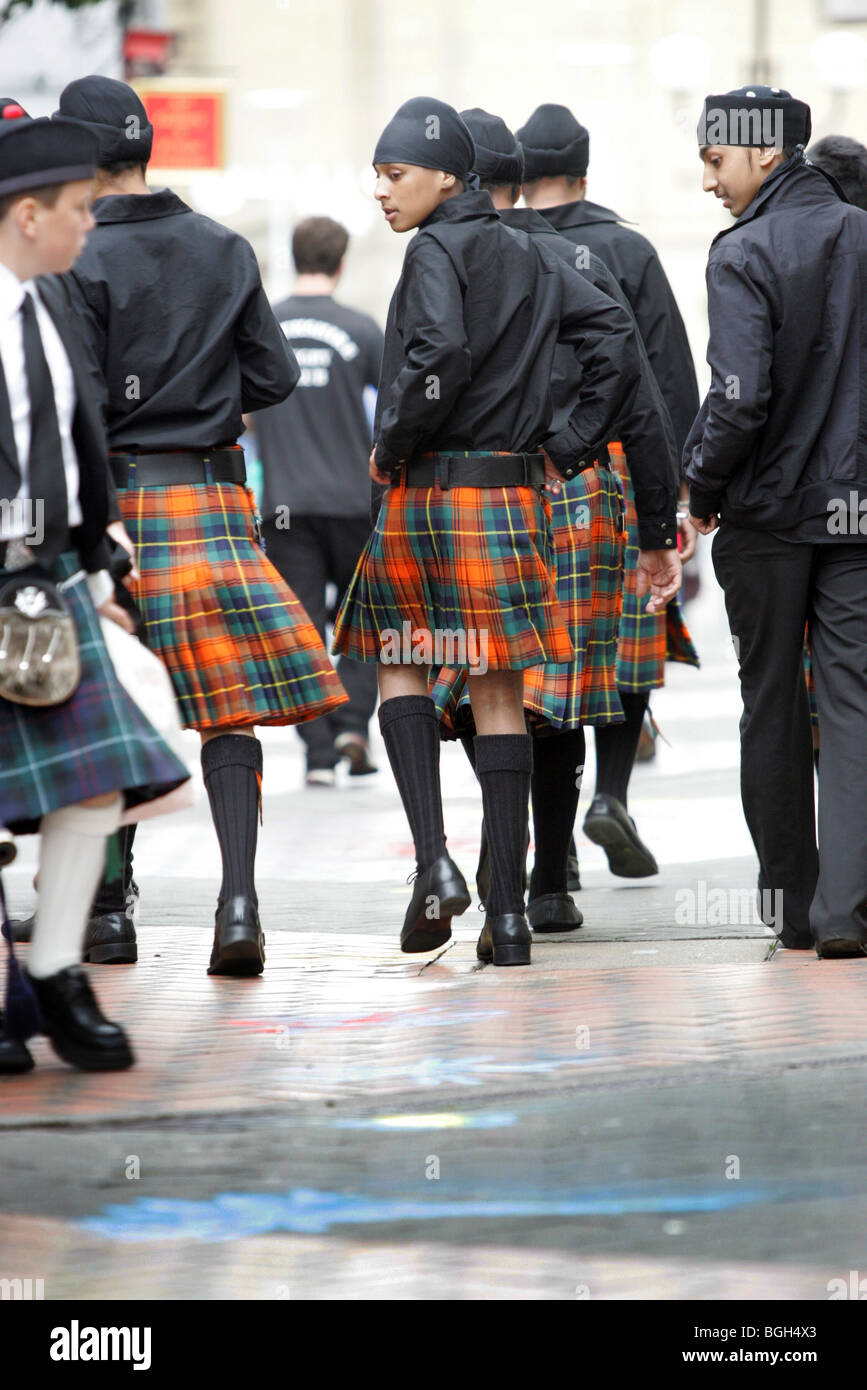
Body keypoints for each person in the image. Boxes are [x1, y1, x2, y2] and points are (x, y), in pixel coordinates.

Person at [44, 76, 347, 977]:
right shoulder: (223, 245)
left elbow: (79, 403)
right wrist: (206, 400)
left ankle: (107, 914)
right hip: (214, 499)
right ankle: (238, 906)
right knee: (229, 711)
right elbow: (276, 375)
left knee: (108, 707)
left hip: (119, 500)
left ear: (83, 157)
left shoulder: (77, 252)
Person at [332, 97, 645, 967]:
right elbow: (616, 339)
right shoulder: (529, 248)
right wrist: (571, 446)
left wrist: (390, 446)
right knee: (499, 691)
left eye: (393, 176)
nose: (381, 193)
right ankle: (507, 918)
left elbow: (437, 355)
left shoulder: (436, 246)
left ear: (444, 177)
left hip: (431, 489)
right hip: (510, 494)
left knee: (400, 659)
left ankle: (434, 864)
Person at [428, 108, 681, 930]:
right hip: (577, 485)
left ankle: (514, 853)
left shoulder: (445, 257)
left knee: (479, 681)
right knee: (556, 690)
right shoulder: (606, 253)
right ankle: (549, 874)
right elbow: (650, 391)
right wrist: (656, 515)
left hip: (468, 490)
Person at [0, 107, 189, 1074]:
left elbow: (72, 446)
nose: (93, 222)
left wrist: (98, 558)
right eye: (79, 207)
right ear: (27, 214)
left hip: (47, 580)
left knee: (93, 782)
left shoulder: (44, 301)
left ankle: (59, 973)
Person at [686, 84, 867, 958]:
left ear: (762, 152)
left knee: (769, 702)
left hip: (763, 513)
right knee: (851, 700)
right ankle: (847, 911)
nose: (709, 181)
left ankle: (791, 908)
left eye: (714, 160)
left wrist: (698, 486)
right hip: (857, 512)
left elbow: (738, 395)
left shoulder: (742, 253)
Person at [518, 103, 699, 879]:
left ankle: (551, 868)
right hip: (623, 466)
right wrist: (683, 496)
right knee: (629, 636)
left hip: (533, 473)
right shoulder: (625, 247)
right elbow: (665, 376)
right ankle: (612, 793)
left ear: (520, 176)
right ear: (585, 172)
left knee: (548, 658)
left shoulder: (505, 248)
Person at [251, 216, 383, 786]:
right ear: (342, 260)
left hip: (285, 504)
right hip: (354, 499)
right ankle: (354, 727)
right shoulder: (361, 329)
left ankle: (318, 750)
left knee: (300, 626)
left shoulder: (264, 327)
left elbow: (242, 408)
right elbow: (396, 413)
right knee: (362, 621)